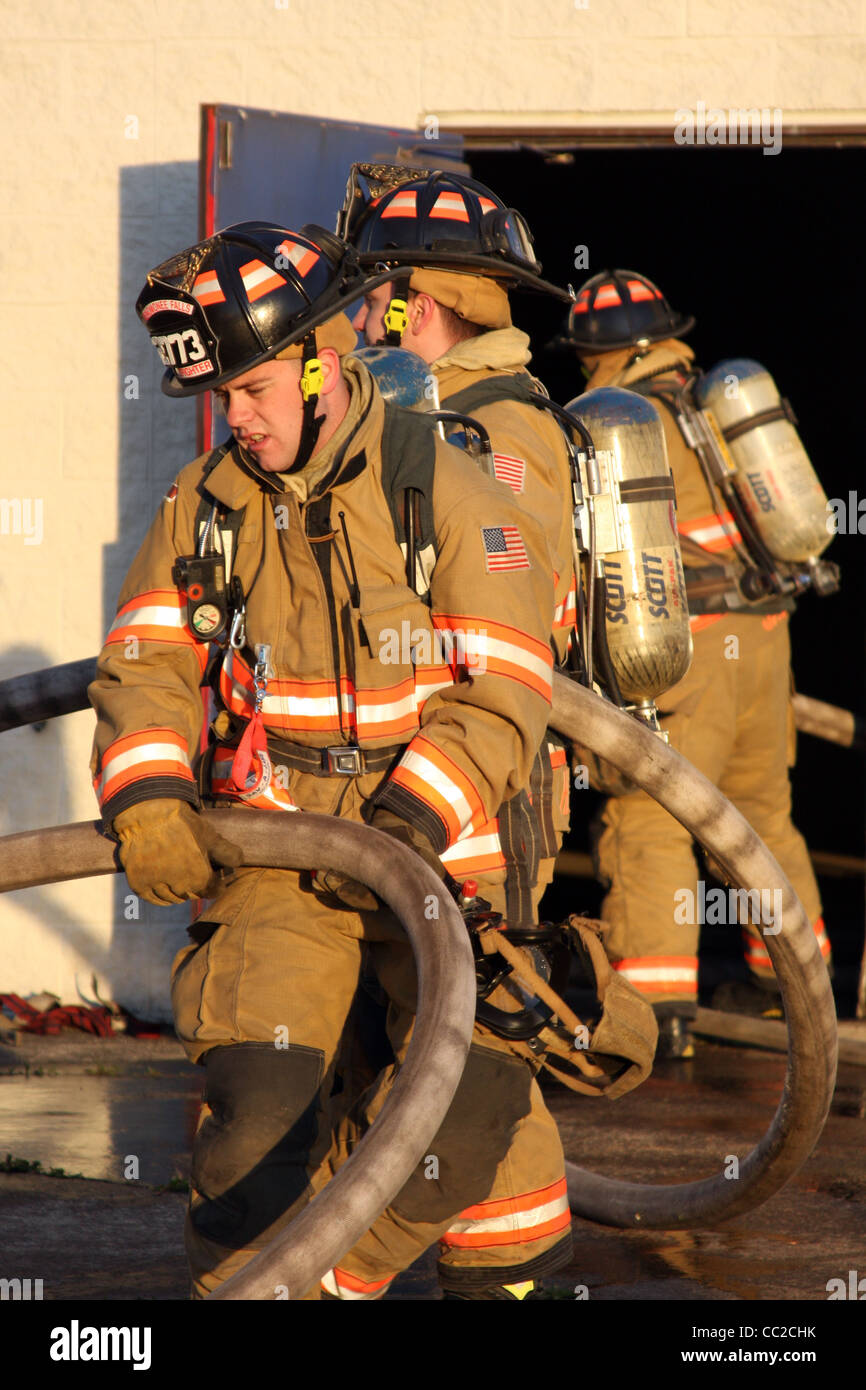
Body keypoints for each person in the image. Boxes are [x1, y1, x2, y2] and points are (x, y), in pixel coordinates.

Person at [88, 220, 572, 1299]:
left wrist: (406, 827)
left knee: (470, 1109)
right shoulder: (206, 506)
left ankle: (314, 1285)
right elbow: (145, 660)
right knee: (256, 1122)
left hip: (439, 848)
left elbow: (505, 691)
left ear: (321, 361)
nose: (238, 419)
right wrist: (153, 794)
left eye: (252, 388)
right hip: (277, 848)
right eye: (222, 400)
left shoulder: (450, 496)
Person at [557, 269, 830, 1058]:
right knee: (760, 817)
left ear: (595, 354)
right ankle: (790, 988)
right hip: (766, 637)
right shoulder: (714, 403)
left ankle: (656, 1010)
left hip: (686, 651)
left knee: (650, 818)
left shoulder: (614, 420)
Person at [343, 164, 577, 927]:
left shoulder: (498, 431)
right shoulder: (435, 417)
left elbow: (520, 616)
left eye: (372, 302)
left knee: (474, 1026)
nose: (357, 325)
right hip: (416, 771)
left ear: (416, 310)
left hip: (481, 790)